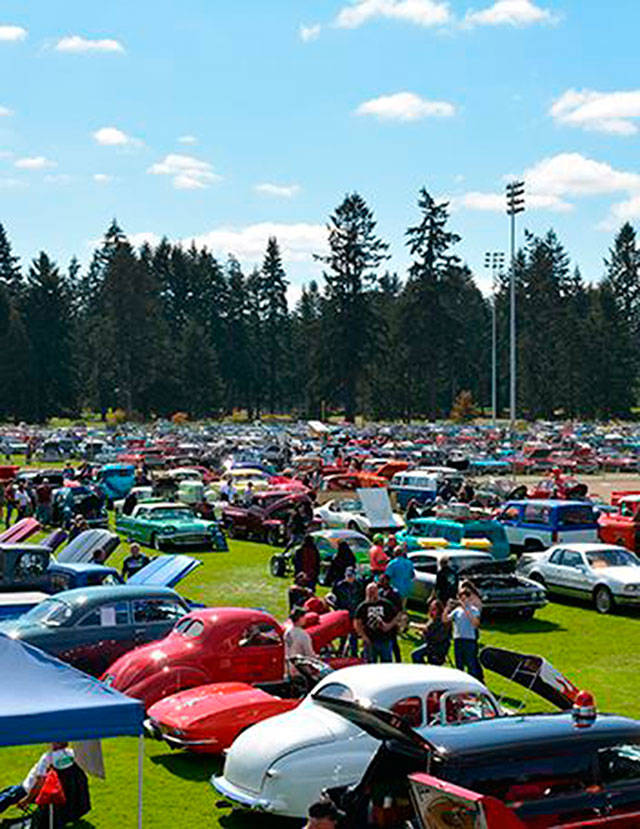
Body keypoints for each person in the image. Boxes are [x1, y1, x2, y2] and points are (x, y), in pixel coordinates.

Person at [0, 742, 76, 814]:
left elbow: (40, 781)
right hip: (56, 791)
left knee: (7, 797)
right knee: (8, 791)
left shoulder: (48, 757)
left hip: (30, 790)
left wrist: (27, 800)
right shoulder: (71, 754)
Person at [443, 585, 483, 680]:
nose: (463, 601)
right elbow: (445, 620)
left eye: (465, 599)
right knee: (459, 665)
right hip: (458, 640)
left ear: (469, 599)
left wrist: (466, 609)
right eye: (461, 599)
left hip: (469, 641)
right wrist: (447, 608)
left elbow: (475, 624)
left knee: (471, 665)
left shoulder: (474, 610)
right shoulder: (457, 611)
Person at [354, 582, 399, 664]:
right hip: (370, 640)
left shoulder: (386, 604)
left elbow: (397, 617)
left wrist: (388, 626)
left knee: (386, 664)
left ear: (377, 591)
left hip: (385, 640)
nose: (371, 594)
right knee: (370, 665)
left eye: (373, 591)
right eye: (369, 592)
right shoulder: (362, 607)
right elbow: (357, 623)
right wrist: (363, 636)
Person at [333, 567, 364, 656]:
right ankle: (340, 651)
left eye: (351, 575)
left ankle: (354, 653)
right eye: (348, 576)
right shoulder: (339, 586)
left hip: (355, 613)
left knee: (354, 634)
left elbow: (361, 598)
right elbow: (336, 600)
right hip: (344, 614)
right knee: (343, 634)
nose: (350, 577)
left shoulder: (359, 585)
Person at [411, 598, 451, 665]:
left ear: (439, 610)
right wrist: (421, 634)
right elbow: (429, 632)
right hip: (431, 645)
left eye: (434, 609)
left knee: (416, 655)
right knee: (416, 654)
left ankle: (424, 670)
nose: (432, 611)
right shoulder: (433, 619)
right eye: (431, 608)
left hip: (437, 647)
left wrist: (413, 625)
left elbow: (427, 628)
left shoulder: (440, 619)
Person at [377, 573, 404, 663]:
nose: (380, 582)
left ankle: (398, 660)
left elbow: (399, 609)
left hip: (391, 621)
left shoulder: (395, 594)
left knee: (393, 642)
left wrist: (396, 621)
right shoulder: (380, 592)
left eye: (382, 580)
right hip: (382, 620)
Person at [284, 606, 316, 677]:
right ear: (300, 618)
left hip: (287, 667)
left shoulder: (287, 631)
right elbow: (309, 654)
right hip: (299, 670)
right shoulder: (303, 635)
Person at [384, 543, 415, 607]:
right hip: (407, 587)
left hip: (395, 588)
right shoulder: (409, 563)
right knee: (403, 605)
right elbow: (412, 575)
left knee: (394, 605)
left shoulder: (392, 563)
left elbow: (387, 576)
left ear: (394, 553)